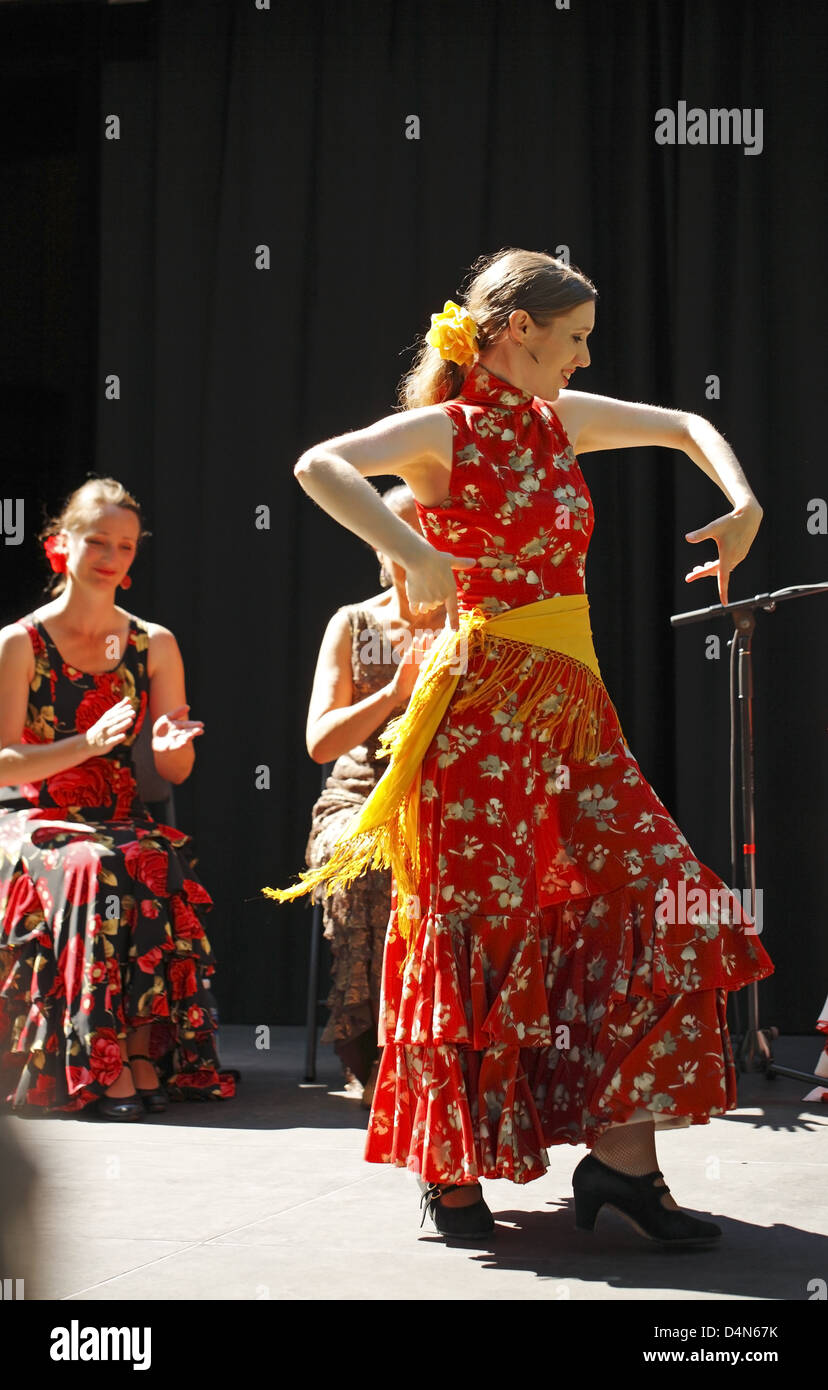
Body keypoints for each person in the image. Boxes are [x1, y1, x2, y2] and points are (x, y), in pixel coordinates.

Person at [265, 247, 774, 1246]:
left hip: (576, 714)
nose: (584, 357)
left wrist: (745, 502)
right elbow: (318, 464)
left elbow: (686, 425)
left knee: (657, 893)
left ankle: (624, 1161)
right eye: (573, 338)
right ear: (517, 331)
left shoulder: (558, 422)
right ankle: (451, 1168)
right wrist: (412, 548)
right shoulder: (445, 432)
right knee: (476, 924)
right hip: (481, 721)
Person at [0, 476, 236, 1119]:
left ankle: (136, 1051)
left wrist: (168, 745)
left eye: (125, 546)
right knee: (95, 864)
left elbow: (175, 771)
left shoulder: (152, 643)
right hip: (33, 818)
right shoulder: (21, 643)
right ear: (61, 544)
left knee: (150, 857)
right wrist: (85, 744)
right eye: (98, 541)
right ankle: (97, 1061)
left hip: (119, 817)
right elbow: (4, 761)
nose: (111, 556)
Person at [304, 484, 445, 1108]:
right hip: (360, 799)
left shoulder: (470, 622)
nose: (414, 546)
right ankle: (377, 1054)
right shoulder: (356, 623)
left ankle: (448, 1048)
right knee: (372, 857)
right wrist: (393, 693)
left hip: (448, 798)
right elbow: (320, 743)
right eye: (399, 533)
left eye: (428, 531)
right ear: (378, 544)